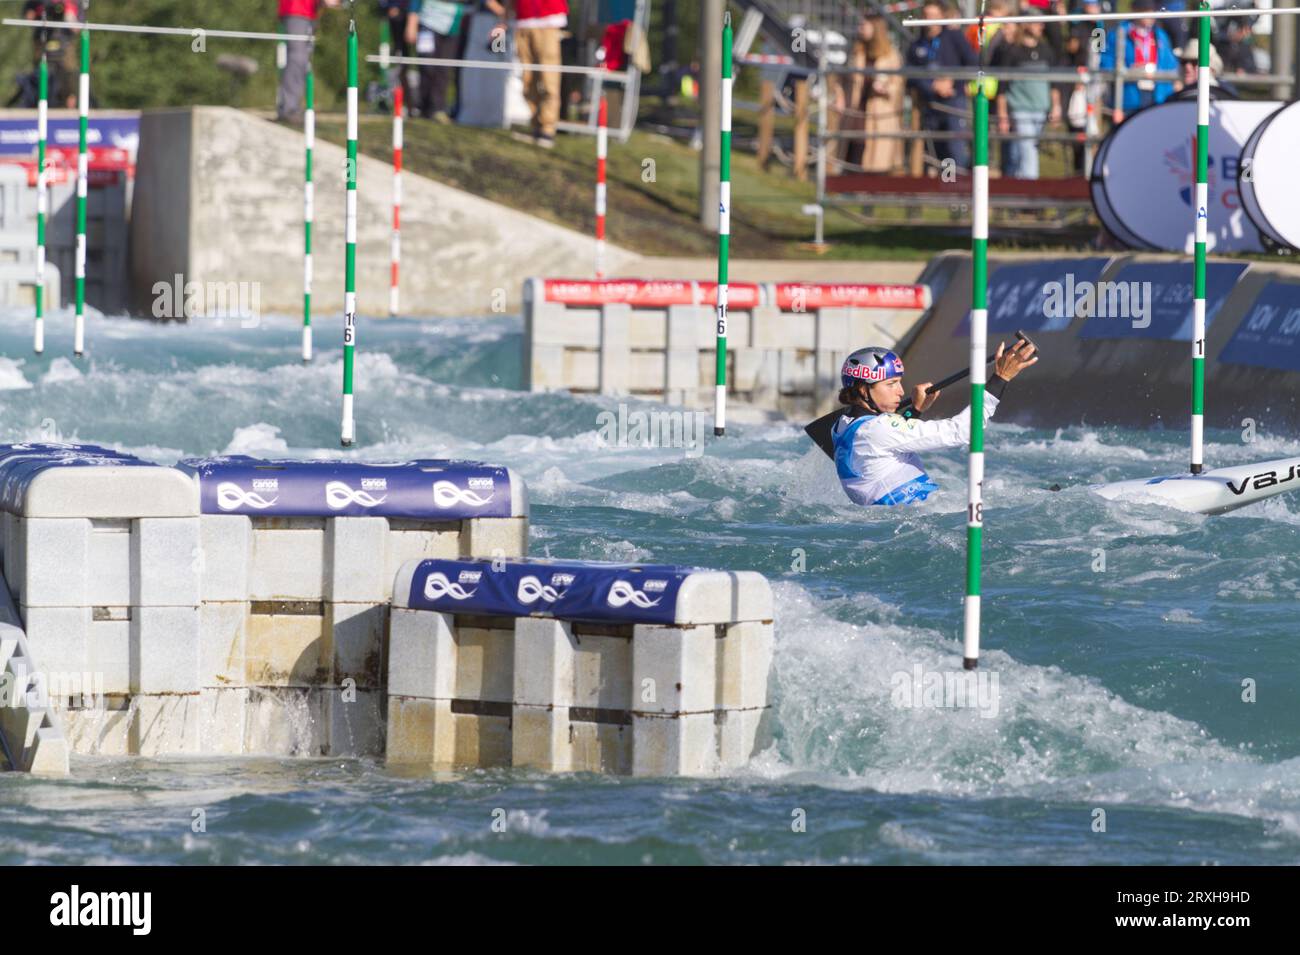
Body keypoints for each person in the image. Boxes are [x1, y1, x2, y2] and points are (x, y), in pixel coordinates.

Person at [830, 340, 1038, 506]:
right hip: (923, 516)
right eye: (891, 384)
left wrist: (915, 410)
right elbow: (964, 432)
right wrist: (1000, 378)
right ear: (863, 390)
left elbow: (889, 446)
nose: (901, 391)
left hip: (912, 514)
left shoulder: (841, 426)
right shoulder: (877, 428)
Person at [905, 0, 978, 172]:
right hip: (930, 106)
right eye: (926, 16)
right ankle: (944, 191)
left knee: (954, 149)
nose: (929, 20)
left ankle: (956, 189)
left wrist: (953, 81)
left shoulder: (954, 37)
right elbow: (910, 75)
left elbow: (973, 64)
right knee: (936, 150)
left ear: (942, 17)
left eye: (934, 16)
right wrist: (931, 86)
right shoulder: (917, 44)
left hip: (954, 102)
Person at [835, 14, 904, 173]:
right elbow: (841, 78)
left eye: (863, 26)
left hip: (879, 109)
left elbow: (898, 83)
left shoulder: (890, 54)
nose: (860, 29)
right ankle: (850, 185)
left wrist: (886, 89)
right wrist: (840, 97)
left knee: (877, 151)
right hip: (856, 107)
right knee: (853, 146)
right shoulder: (856, 51)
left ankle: (871, 185)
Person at [995, 19, 1061, 180]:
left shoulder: (1046, 50)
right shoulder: (1012, 51)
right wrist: (1002, 115)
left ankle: (1017, 191)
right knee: (1028, 149)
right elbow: (1002, 87)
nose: (1041, 26)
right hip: (1020, 109)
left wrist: (1056, 106)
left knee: (1020, 152)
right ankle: (1031, 194)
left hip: (1040, 110)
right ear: (1025, 25)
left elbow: (1054, 83)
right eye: (1036, 23)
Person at [1098, 0, 1178, 122]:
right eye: (1145, 10)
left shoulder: (1160, 35)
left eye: (1152, 10)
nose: (1150, 15)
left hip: (1157, 95)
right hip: (1129, 96)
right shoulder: (1118, 33)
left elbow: (1171, 64)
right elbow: (1106, 63)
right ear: (1135, 10)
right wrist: (1129, 71)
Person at [508, 0, 568, 148]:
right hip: (523, 22)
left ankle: (547, 130)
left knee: (549, 81)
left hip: (548, 23)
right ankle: (536, 126)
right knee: (527, 80)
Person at [277, 0, 341, 124]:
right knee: (297, 59)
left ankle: (291, 107)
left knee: (301, 61)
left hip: (305, 12)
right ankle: (289, 109)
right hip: (297, 9)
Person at [407, 0, 469, 122]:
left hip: (452, 27)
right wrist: (411, 24)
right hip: (427, 25)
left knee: (444, 70)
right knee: (426, 66)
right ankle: (422, 107)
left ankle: (438, 109)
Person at [1173, 36, 1238, 100]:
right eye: (1184, 62)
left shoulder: (1226, 96)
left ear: (1212, 69)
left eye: (1194, 62)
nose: (1187, 67)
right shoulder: (1173, 100)